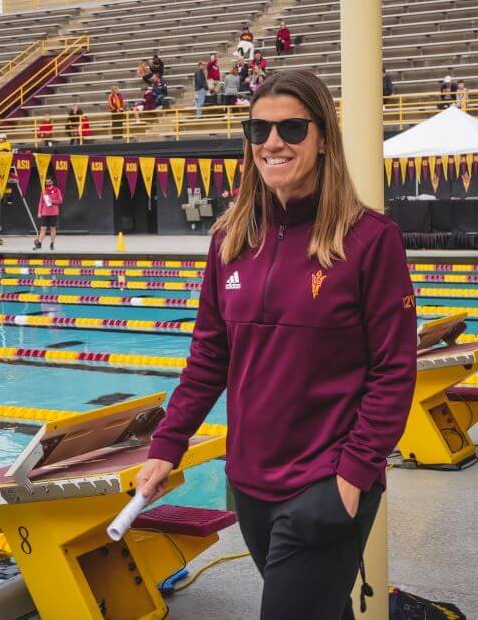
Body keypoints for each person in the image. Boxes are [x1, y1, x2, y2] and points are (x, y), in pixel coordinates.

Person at [135, 69, 415, 619]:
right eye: (258, 129)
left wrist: (352, 476)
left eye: (291, 128)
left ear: (322, 139)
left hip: (324, 482)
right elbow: (209, 357)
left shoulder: (370, 240)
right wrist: (168, 444)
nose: (272, 143)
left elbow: (394, 372)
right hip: (249, 485)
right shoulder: (230, 240)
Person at [34, 176, 63, 250]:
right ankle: (39, 244)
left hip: (53, 213)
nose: (48, 183)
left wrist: (52, 201)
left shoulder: (57, 190)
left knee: (52, 228)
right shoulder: (44, 191)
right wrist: (39, 212)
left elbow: (60, 201)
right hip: (45, 213)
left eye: (49, 182)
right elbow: (41, 202)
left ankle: (52, 243)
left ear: (52, 182)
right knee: (43, 228)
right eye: (46, 182)